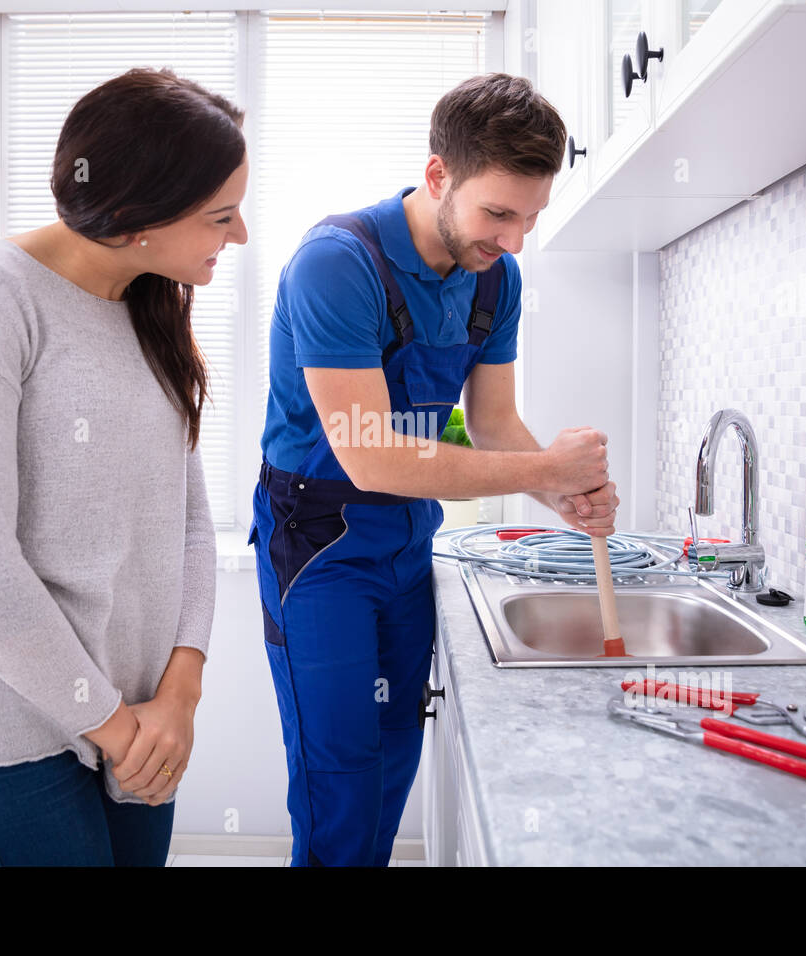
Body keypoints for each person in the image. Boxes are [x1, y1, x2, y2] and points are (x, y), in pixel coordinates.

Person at [248, 72, 618, 866]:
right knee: (338, 774)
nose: (514, 241)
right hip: (319, 548)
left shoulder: (498, 279)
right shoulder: (337, 264)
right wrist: (545, 467)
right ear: (438, 174)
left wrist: (566, 490)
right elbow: (370, 451)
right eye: (498, 214)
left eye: (530, 217)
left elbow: (491, 426)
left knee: (391, 758)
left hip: (409, 544)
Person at [0, 68, 247, 866]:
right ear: (135, 216)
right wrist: (119, 728)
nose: (239, 236)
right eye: (221, 216)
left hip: (140, 724)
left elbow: (187, 519)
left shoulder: (149, 305)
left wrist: (178, 698)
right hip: (14, 731)